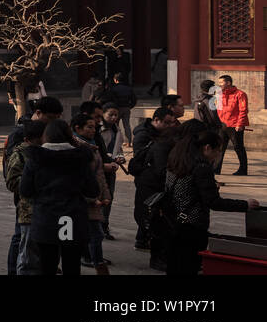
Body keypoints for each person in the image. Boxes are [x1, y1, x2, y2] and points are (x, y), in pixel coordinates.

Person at [162, 129, 260, 276]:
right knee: (188, 267)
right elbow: (214, 202)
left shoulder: (177, 160)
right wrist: (245, 205)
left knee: (175, 265)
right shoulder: (201, 167)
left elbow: (186, 188)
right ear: (207, 148)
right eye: (218, 151)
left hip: (172, 221)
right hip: (192, 225)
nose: (218, 155)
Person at [19, 119, 98, 276]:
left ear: (45, 136)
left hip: (47, 218)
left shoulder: (36, 158)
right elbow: (92, 190)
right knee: (72, 265)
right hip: (71, 218)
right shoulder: (80, 159)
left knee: (47, 266)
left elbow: (25, 190)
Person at [131, 105, 179, 269]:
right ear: (156, 120)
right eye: (167, 123)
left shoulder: (164, 139)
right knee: (156, 223)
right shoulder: (146, 137)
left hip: (156, 187)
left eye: (172, 123)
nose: (170, 126)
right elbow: (158, 169)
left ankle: (149, 244)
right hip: (150, 186)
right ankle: (155, 256)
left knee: (159, 223)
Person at [4, 118, 46, 275]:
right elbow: (12, 183)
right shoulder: (20, 155)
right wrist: (35, 179)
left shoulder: (46, 152)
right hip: (28, 210)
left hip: (45, 209)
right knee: (27, 254)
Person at [71, 113, 112, 273]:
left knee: (94, 233)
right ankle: (96, 263)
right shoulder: (76, 148)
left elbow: (99, 174)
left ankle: (95, 262)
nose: (93, 130)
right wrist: (90, 198)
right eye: (90, 127)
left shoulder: (92, 145)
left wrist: (105, 194)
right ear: (77, 128)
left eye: (95, 127)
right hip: (80, 201)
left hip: (93, 198)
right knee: (89, 234)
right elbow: (76, 179)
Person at [99, 104, 126, 239]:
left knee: (109, 198)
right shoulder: (98, 129)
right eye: (111, 114)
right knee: (99, 198)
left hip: (112, 168)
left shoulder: (116, 130)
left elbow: (118, 149)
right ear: (103, 114)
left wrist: (120, 158)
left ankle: (104, 226)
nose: (114, 117)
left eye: (116, 115)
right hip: (100, 168)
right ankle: (98, 226)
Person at [216, 74, 249, 176]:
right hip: (222, 125)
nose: (219, 84)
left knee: (238, 147)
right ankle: (216, 168)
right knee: (220, 147)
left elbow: (243, 110)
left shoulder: (240, 94)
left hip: (235, 125)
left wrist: (240, 124)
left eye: (222, 82)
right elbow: (218, 110)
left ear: (228, 83)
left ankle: (243, 169)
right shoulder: (219, 94)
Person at [103, 73, 136, 145]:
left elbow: (111, 99)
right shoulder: (129, 88)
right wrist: (130, 106)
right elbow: (134, 100)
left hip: (116, 108)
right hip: (126, 108)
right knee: (126, 125)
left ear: (115, 80)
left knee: (115, 125)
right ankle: (129, 142)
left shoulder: (113, 89)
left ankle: (116, 141)